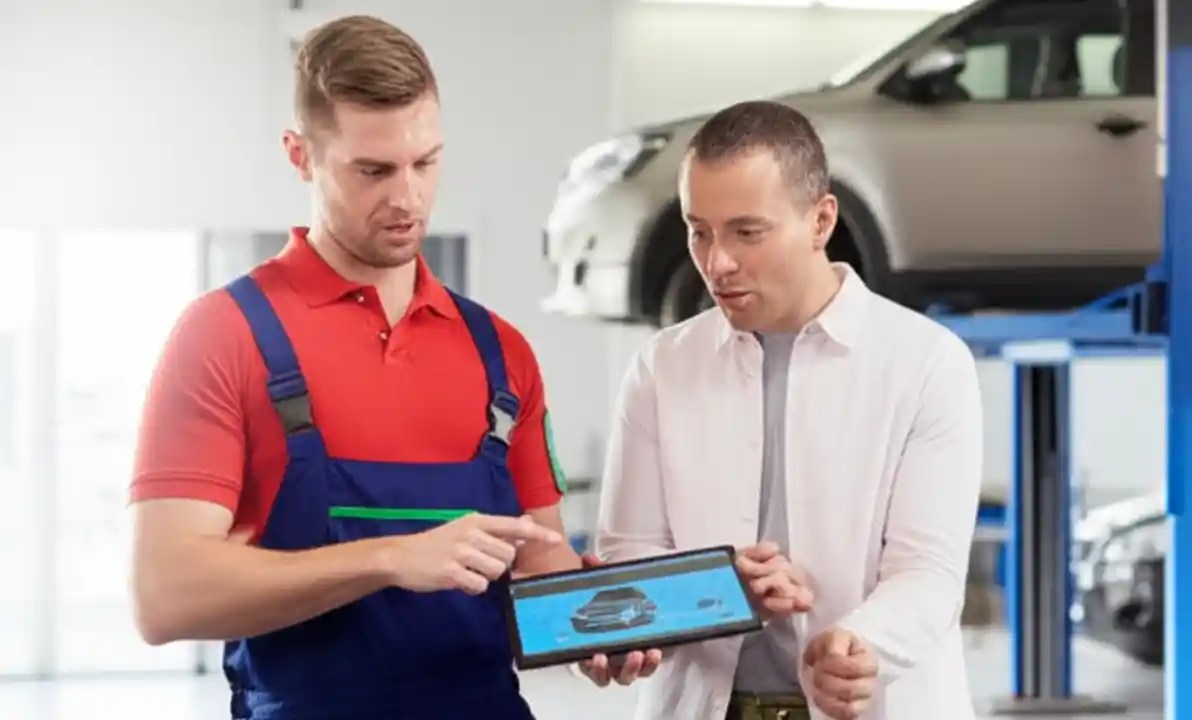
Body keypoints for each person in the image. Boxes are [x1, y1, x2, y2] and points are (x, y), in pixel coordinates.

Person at [126, 15, 583, 719]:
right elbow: (164, 596)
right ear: (300, 155)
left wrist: (633, 624)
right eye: (373, 171)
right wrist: (389, 560)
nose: (406, 198)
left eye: (425, 163)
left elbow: (546, 582)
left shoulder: (502, 353)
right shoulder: (226, 336)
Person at [587, 100, 985, 720]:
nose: (717, 262)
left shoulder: (926, 362)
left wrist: (860, 647)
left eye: (747, 232)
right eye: (699, 231)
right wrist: (715, 591)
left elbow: (928, 574)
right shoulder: (661, 368)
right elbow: (627, 558)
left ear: (820, 221)